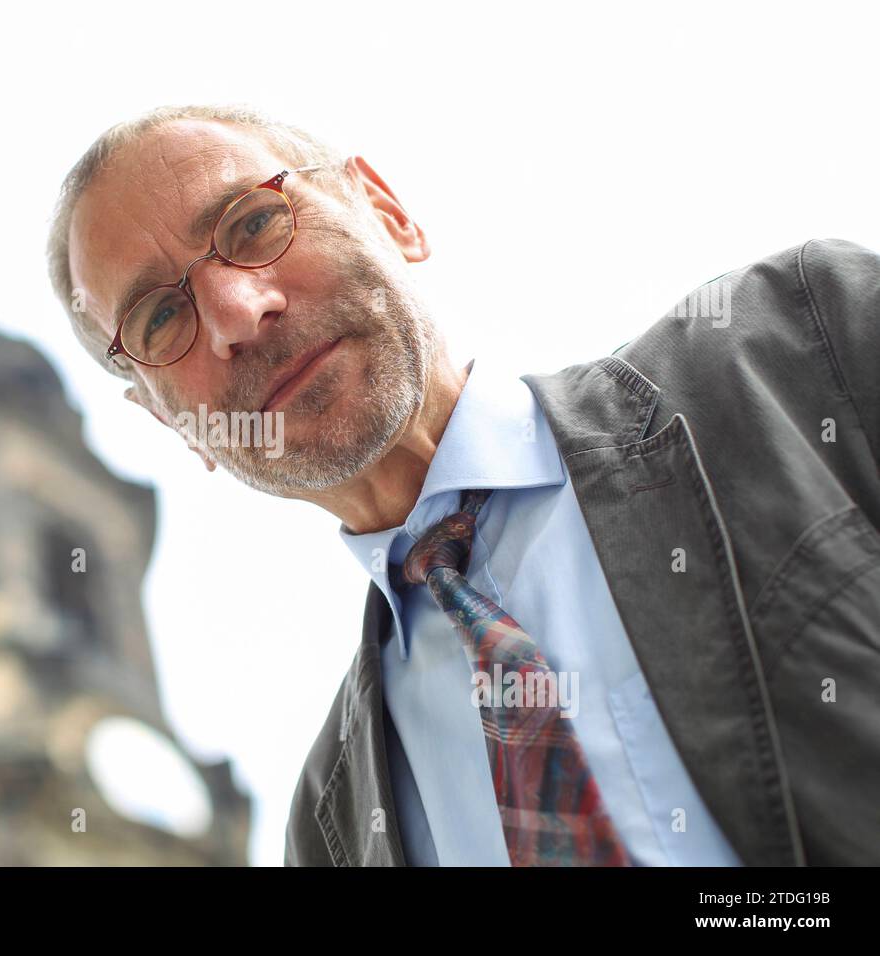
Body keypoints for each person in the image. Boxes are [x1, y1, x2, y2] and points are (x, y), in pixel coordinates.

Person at [46, 103, 880, 866]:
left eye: (255, 221)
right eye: (160, 317)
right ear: (171, 425)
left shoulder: (801, 348)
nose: (236, 314)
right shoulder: (329, 833)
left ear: (388, 212)